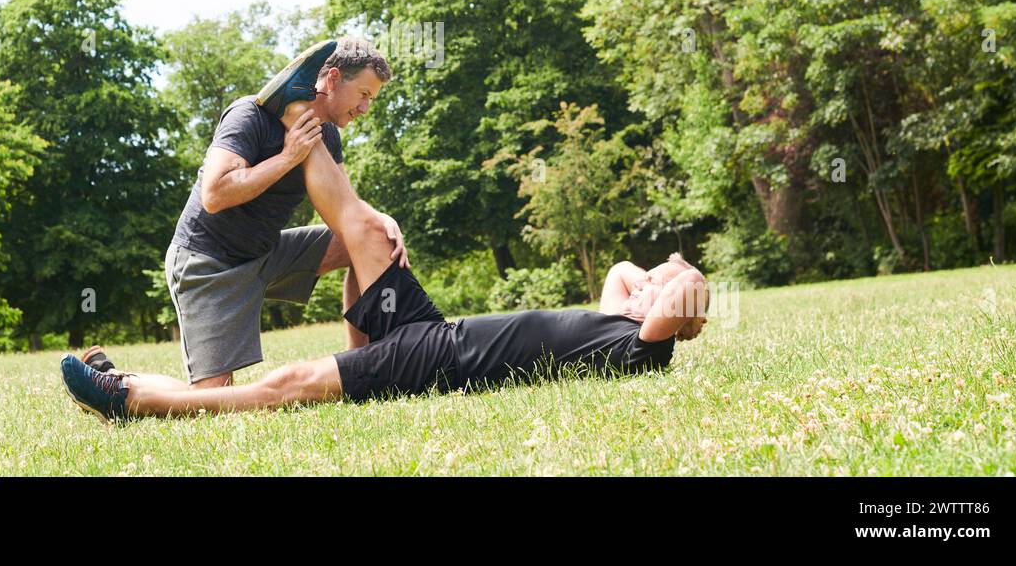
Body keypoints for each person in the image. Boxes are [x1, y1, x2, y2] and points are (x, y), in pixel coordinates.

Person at [60, 99, 709, 420]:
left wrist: (684, 294)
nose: (642, 287)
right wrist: (654, 282)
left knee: (287, 386)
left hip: (439, 360)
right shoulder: (618, 326)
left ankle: (129, 397)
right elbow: (622, 272)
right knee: (365, 230)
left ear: (668, 321)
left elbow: (681, 293)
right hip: (430, 329)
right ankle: (306, 111)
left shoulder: (639, 351)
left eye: (657, 295)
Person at [85, 37, 405, 389]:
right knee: (212, 399)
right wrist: (287, 158)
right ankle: (110, 379)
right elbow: (215, 193)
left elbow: (348, 207)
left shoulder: (328, 135)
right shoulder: (249, 114)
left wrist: (381, 221)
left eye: (371, 99)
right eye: (363, 94)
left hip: (264, 252)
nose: (365, 108)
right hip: (208, 262)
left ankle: (360, 362)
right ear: (332, 79)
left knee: (373, 239)